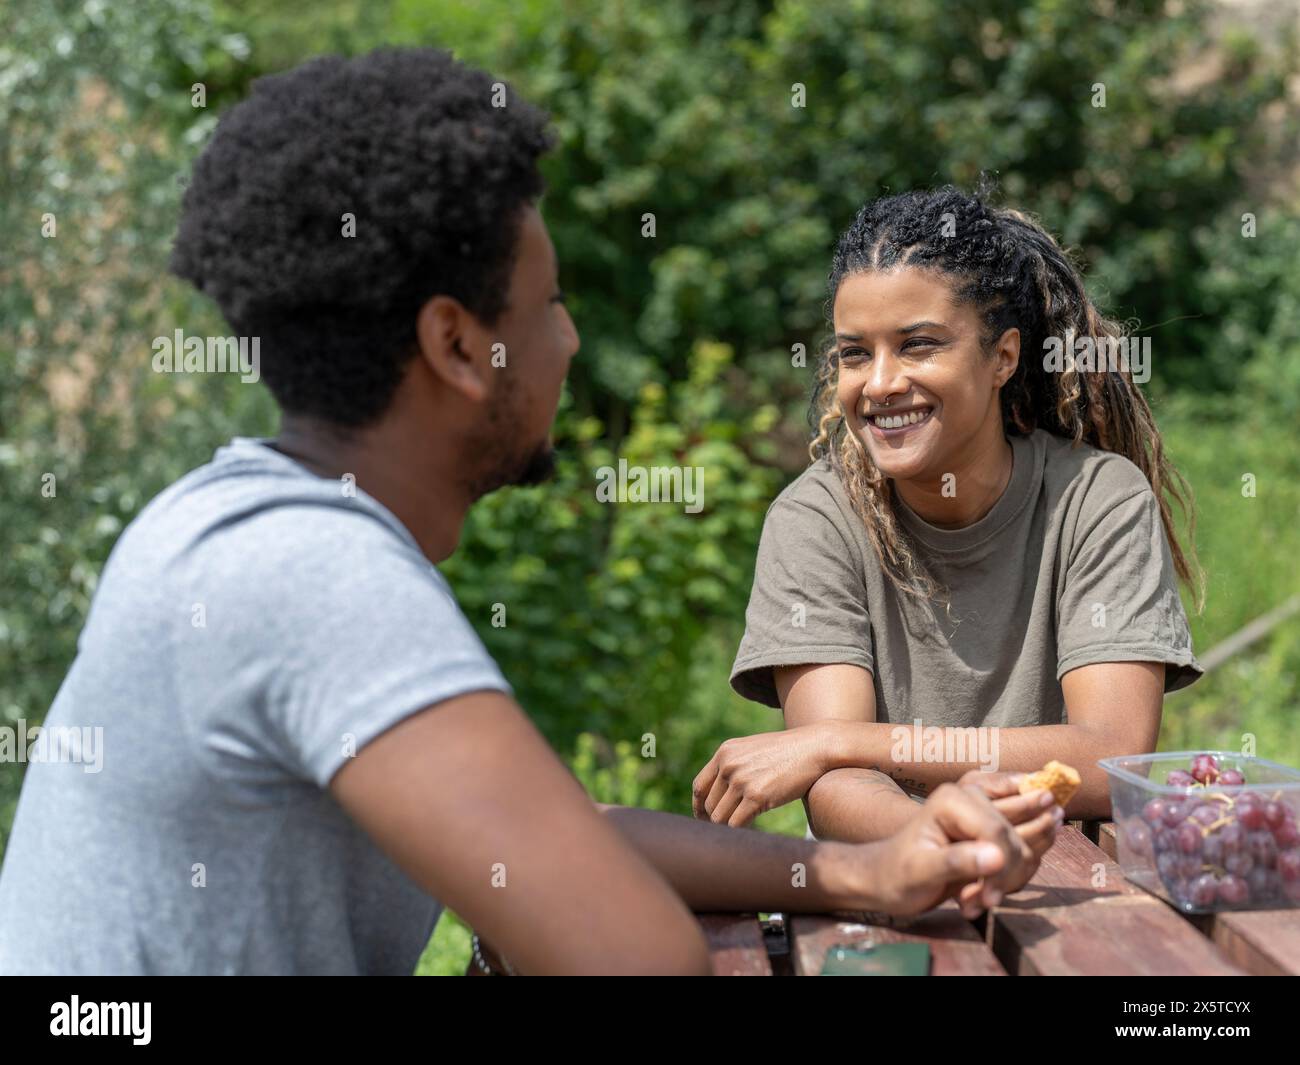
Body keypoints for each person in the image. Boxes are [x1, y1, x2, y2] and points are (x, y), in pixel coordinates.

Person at [0, 51, 1051, 977]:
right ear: (461, 346)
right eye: (548, 305)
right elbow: (633, 956)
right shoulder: (313, 575)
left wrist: (865, 869)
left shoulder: (244, 520)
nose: (572, 342)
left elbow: (548, 841)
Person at [694, 185, 1205, 842]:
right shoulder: (814, 521)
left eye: (918, 344)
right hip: (892, 877)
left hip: (1076, 891)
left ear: (1003, 357)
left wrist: (838, 742)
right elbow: (835, 786)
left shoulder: (1097, 499)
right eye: (855, 352)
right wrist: (934, 838)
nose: (878, 383)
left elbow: (1113, 756)